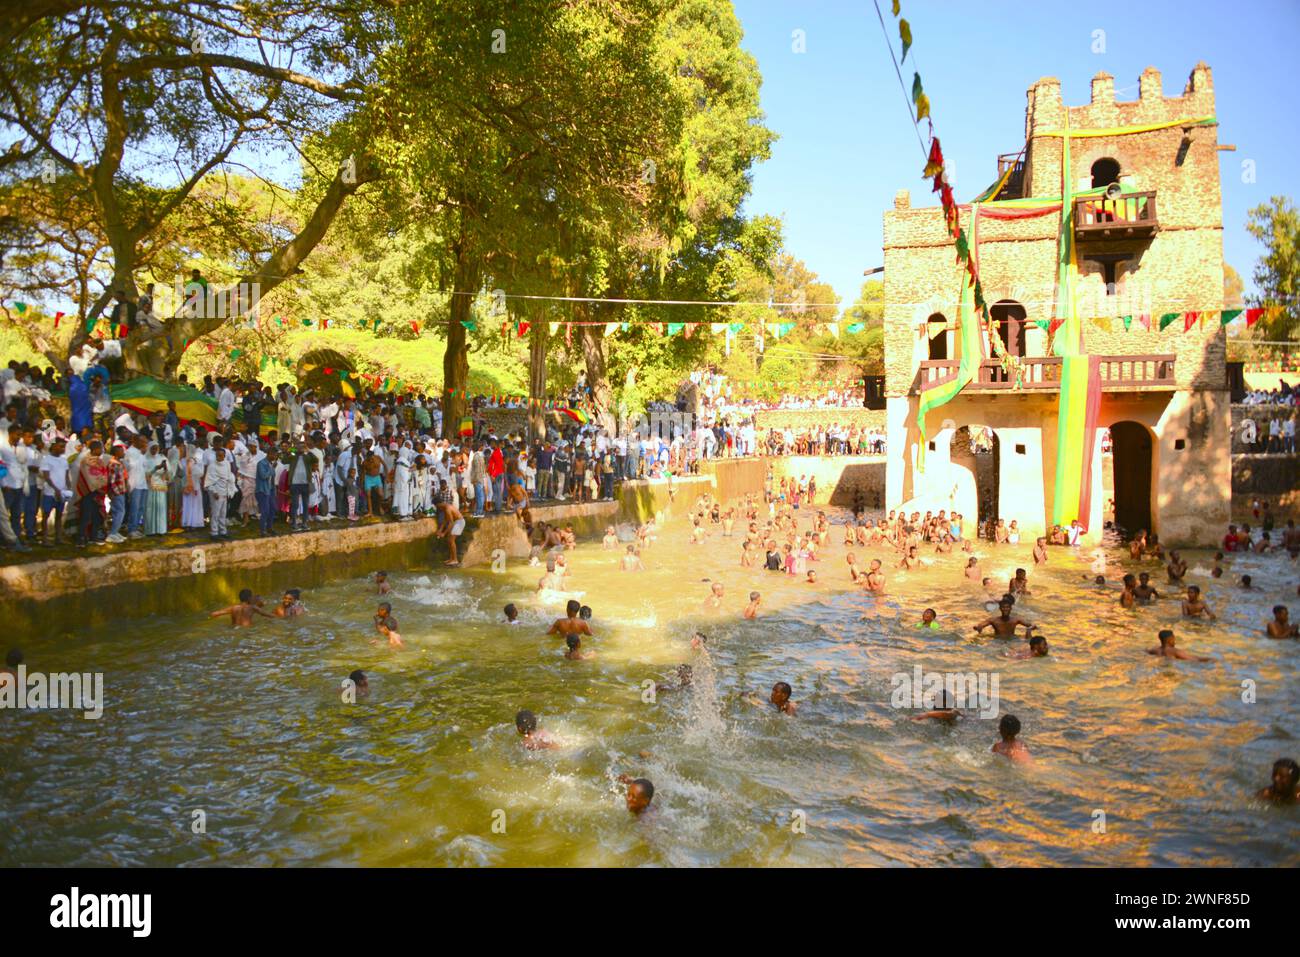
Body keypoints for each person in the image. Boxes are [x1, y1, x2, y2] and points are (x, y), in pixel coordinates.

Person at [209, 588, 277, 627]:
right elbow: (267, 614)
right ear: (249, 598)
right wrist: (278, 616)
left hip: (234, 629)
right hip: (246, 631)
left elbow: (214, 614)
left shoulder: (233, 608)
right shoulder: (252, 607)